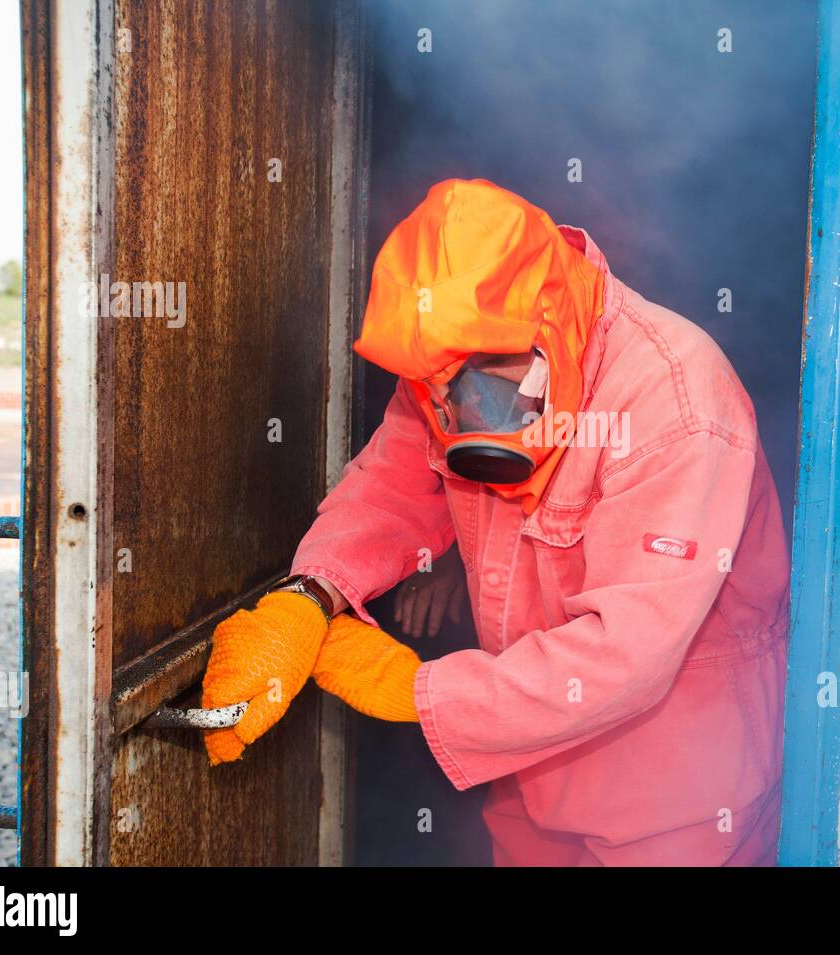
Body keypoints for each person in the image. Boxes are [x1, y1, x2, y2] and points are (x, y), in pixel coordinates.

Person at [200, 178, 791, 866]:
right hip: (527, 770)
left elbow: (626, 655)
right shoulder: (450, 365)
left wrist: (416, 693)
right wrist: (309, 597)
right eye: (437, 386)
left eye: (481, 376)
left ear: (550, 324)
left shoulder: (678, 403)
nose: (456, 408)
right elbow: (391, 488)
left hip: (674, 800)